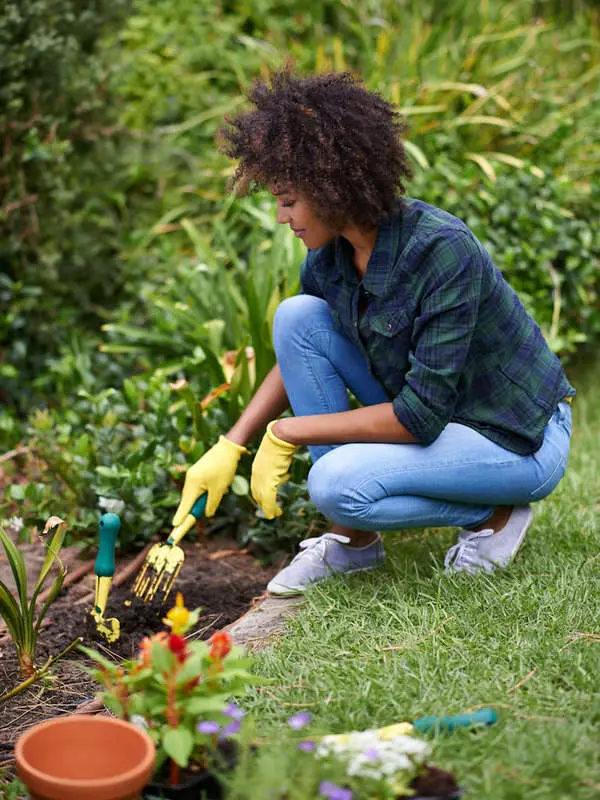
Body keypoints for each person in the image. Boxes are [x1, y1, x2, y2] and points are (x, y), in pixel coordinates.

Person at [172, 70, 575, 596]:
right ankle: (354, 545)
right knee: (296, 316)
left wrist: (288, 432)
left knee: (335, 484)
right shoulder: (330, 257)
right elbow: (301, 347)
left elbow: (419, 417)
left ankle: (496, 512)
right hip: (439, 415)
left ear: (329, 186)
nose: (280, 217)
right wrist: (234, 443)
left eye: (288, 200)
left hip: (515, 436)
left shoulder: (440, 250)